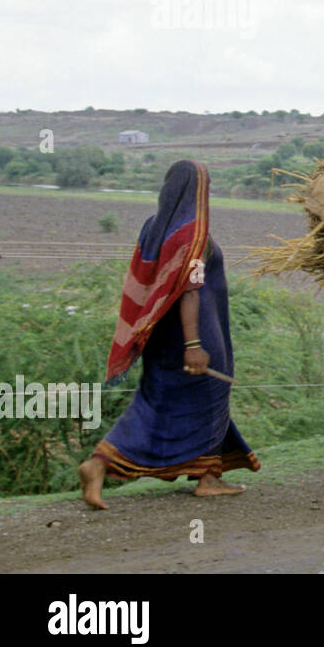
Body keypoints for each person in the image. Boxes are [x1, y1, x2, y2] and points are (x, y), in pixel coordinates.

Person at [79, 159, 259, 510]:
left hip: (159, 335)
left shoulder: (154, 227)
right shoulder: (193, 235)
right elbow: (190, 290)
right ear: (198, 193)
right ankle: (203, 479)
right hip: (194, 334)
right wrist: (194, 345)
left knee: (156, 398)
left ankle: (101, 465)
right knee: (210, 394)